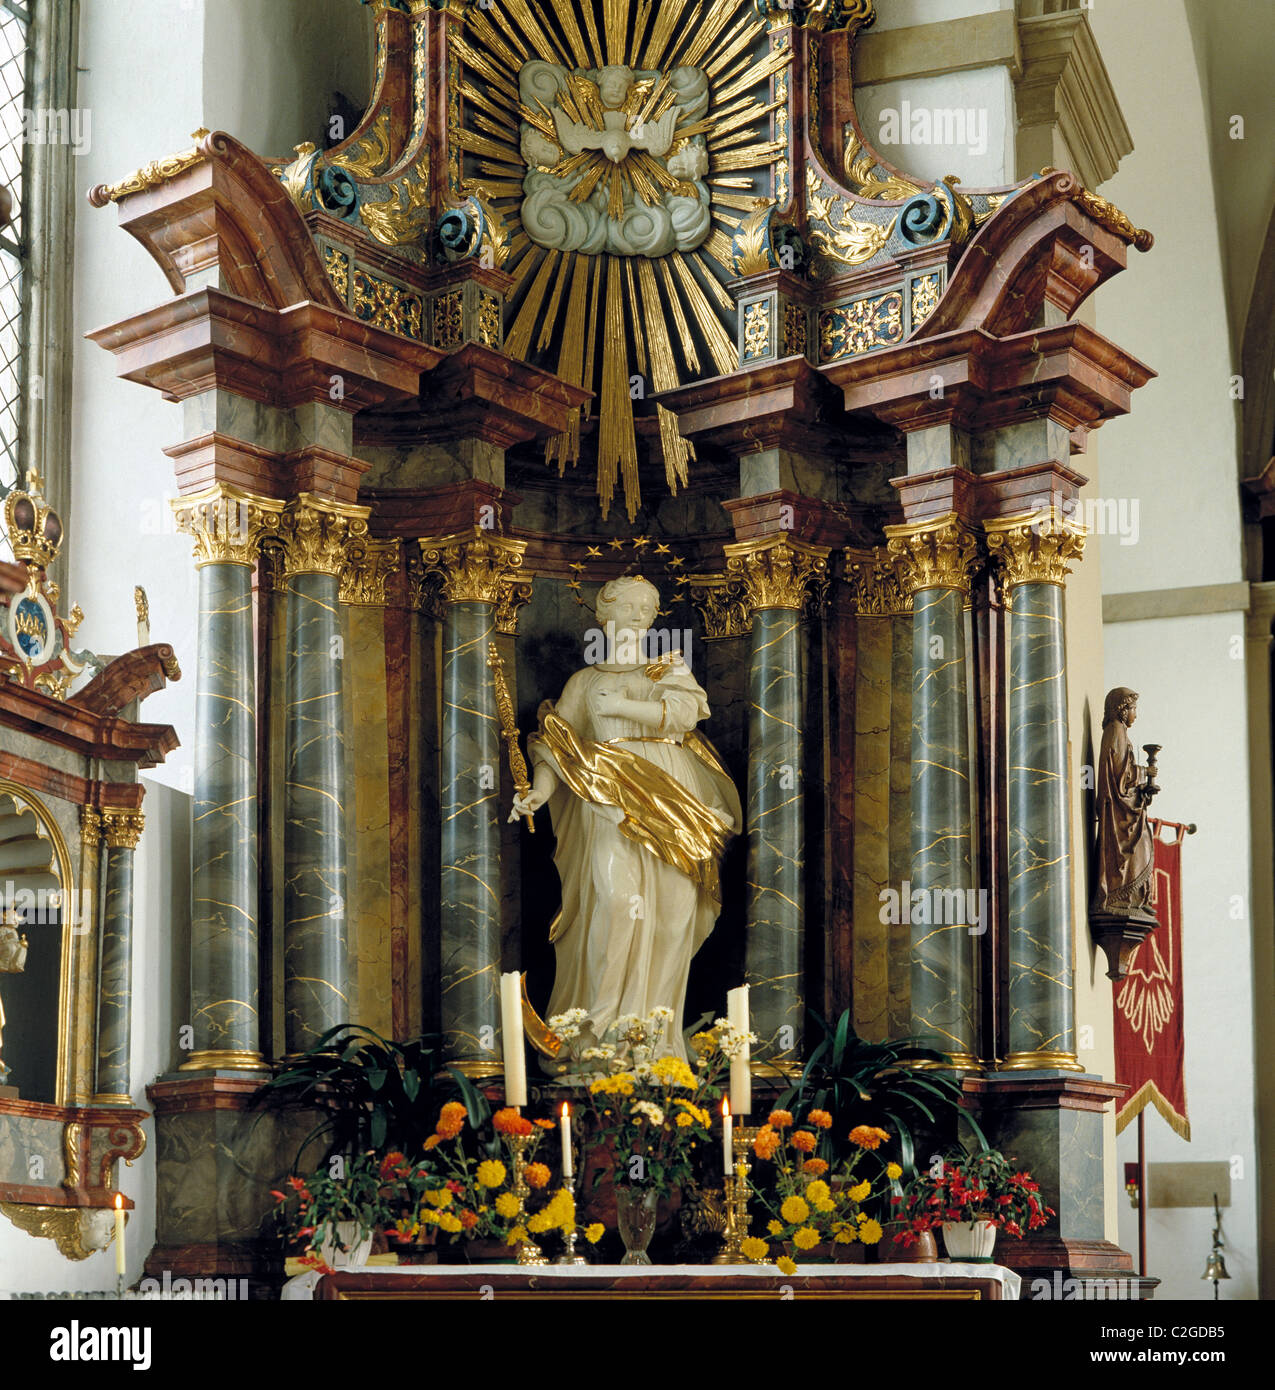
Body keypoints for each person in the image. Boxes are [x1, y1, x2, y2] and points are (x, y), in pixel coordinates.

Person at [511, 576, 741, 1060]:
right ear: (603, 614)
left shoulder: (667, 668)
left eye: (649, 607)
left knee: (673, 911)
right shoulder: (584, 682)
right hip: (606, 796)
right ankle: (598, 1031)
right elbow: (556, 746)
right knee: (616, 903)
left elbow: (685, 712)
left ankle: (656, 1040)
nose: (640, 615)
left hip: (672, 797)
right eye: (631, 606)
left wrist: (621, 706)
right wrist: (540, 791)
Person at [1093, 686, 1154, 914]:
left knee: (1145, 843)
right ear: (1122, 709)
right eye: (1133, 709)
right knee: (1142, 844)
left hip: (1123, 807)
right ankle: (1122, 896)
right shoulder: (1116, 732)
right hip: (1119, 811)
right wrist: (1143, 773)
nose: (1135, 715)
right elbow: (1121, 778)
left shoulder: (1119, 732)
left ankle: (1132, 899)